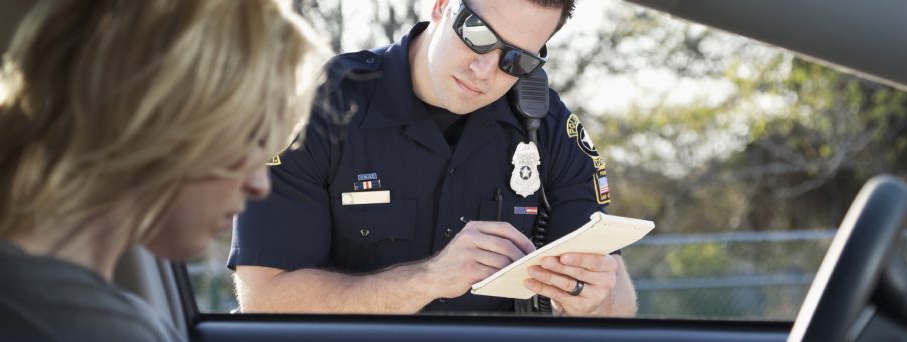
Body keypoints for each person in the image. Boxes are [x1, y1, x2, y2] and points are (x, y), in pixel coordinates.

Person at [230, 0, 638, 317]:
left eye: (517, 60)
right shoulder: (312, 110)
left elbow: (619, 297)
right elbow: (264, 298)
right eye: (478, 35)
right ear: (442, 6)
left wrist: (593, 296)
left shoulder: (548, 128)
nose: (484, 69)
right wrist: (427, 279)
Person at [0, 0, 324, 340]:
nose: (259, 184)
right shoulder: (84, 327)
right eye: (251, 135)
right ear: (162, 114)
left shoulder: (41, 301)